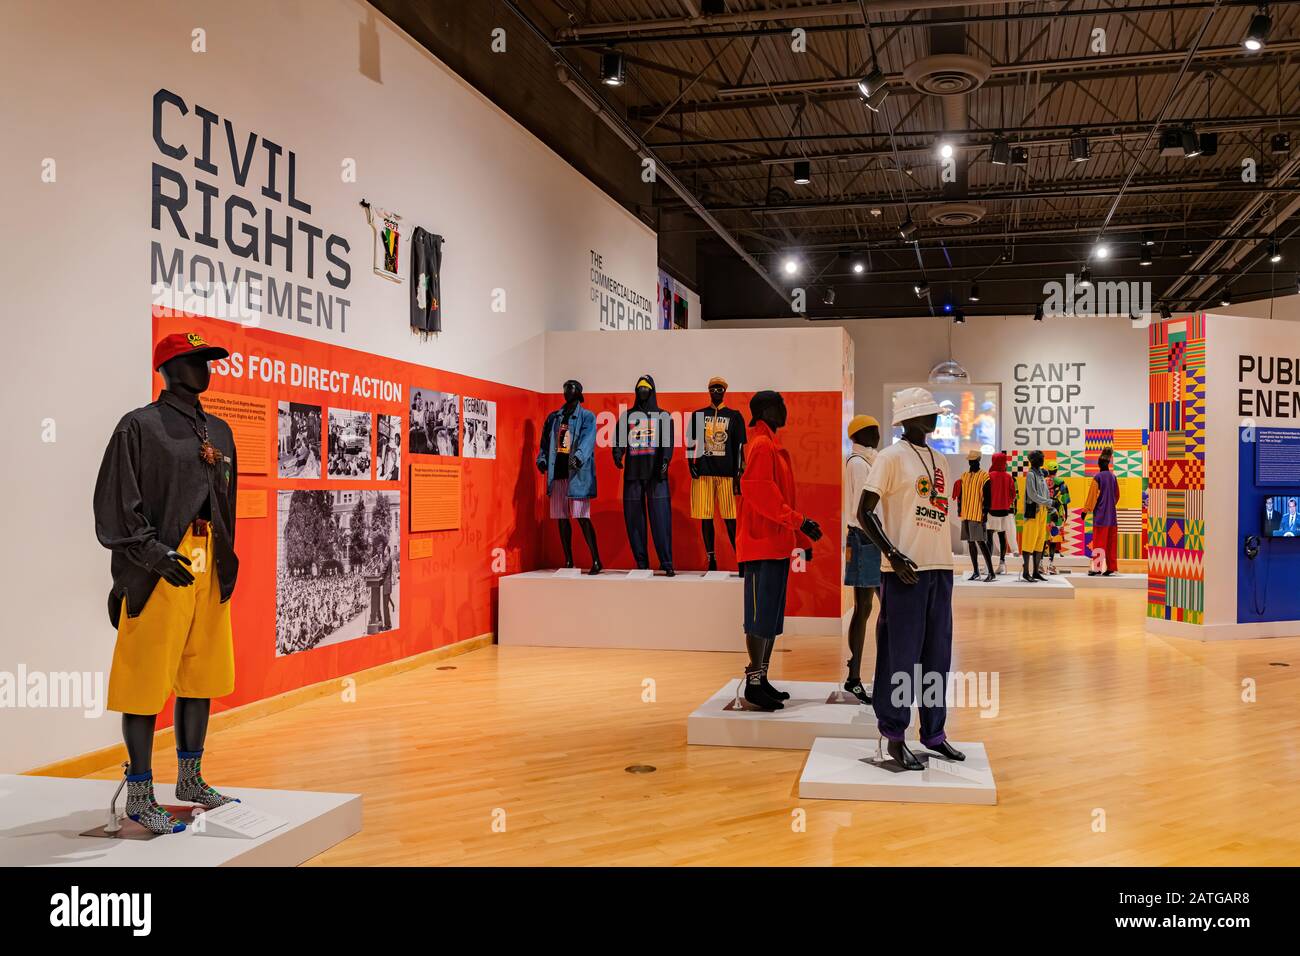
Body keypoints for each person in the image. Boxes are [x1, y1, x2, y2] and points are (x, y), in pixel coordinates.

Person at [94, 332, 242, 835]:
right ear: (169, 366)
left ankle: (191, 780)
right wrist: (153, 555)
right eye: (197, 359)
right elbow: (117, 505)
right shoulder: (140, 427)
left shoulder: (219, 432)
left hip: (210, 563)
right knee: (144, 683)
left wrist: (227, 558)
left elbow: (227, 502)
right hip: (160, 566)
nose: (207, 368)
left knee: (201, 676)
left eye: (209, 360)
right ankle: (139, 794)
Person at [855, 387, 963, 770]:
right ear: (912, 416)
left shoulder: (939, 458)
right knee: (899, 657)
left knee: (937, 657)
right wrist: (892, 553)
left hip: (940, 568)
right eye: (928, 412)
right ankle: (894, 734)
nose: (935, 418)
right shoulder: (890, 458)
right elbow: (864, 512)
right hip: (904, 572)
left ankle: (934, 732)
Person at [735, 390, 821, 711]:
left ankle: (762, 678)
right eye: (781, 404)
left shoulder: (771, 446)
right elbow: (763, 496)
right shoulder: (761, 446)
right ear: (767, 410)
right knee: (759, 618)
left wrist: (800, 539)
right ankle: (754, 682)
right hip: (760, 545)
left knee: (769, 617)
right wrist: (800, 523)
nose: (786, 409)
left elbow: (780, 499)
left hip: (774, 544)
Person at [686, 376, 747, 571]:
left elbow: (739, 447)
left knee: (731, 518)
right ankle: (711, 559)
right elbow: (690, 441)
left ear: (725, 392)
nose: (717, 392)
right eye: (713, 388)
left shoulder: (735, 416)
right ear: (709, 391)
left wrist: (738, 472)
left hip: (727, 474)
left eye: (720, 389)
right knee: (706, 517)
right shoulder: (698, 415)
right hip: (704, 471)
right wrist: (691, 463)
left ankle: (741, 559)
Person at [842, 414, 881, 705]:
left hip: (870, 538)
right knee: (864, 607)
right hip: (865, 537)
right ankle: (854, 675)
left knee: (869, 607)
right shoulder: (858, 464)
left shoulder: (868, 461)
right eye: (873, 430)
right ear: (860, 435)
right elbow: (860, 511)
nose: (877, 435)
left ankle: (857, 674)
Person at [952, 449, 996, 582]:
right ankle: (976, 571)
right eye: (970, 460)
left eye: (973, 460)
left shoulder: (984, 476)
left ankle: (991, 572)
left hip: (977, 513)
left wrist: (985, 512)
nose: (971, 462)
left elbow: (988, 497)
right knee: (970, 543)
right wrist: (960, 509)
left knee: (981, 543)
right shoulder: (965, 475)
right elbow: (961, 495)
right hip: (966, 513)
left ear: (978, 460)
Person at [1080, 447, 1120, 575]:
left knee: (1099, 543)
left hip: (1101, 518)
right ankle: (1111, 568)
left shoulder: (1098, 477)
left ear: (1099, 464)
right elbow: (1117, 495)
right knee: (1111, 544)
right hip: (1112, 517)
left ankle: (1097, 569)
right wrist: (1110, 505)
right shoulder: (1113, 477)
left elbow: (1092, 497)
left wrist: (1085, 511)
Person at [1020, 450, 1051, 582]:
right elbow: (1032, 495)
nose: (1043, 459)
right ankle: (1026, 572)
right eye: (1041, 458)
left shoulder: (1041, 475)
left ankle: (1035, 571)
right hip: (1033, 512)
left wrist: (1050, 507)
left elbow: (1045, 493)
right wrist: (1048, 502)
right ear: (1034, 460)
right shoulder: (1031, 475)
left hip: (1042, 511)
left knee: (1039, 542)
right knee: (1029, 542)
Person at [984, 451, 1017, 574]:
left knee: (989, 538)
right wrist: (1006, 501)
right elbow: (1013, 494)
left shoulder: (989, 475)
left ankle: (988, 566)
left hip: (991, 511)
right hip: (1005, 511)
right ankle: (1002, 563)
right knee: (1002, 537)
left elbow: (984, 494)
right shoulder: (1009, 477)